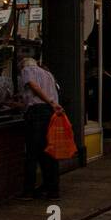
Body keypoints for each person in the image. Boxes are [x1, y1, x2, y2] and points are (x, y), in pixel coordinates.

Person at [19, 57, 63, 200]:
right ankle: (52, 190)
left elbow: (33, 86)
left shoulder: (26, 70)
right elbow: (54, 93)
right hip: (49, 113)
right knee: (49, 151)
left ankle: (28, 191)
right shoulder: (48, 74)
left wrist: (49, 102)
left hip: (37, 113)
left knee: (32, 152)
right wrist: (52, 104)